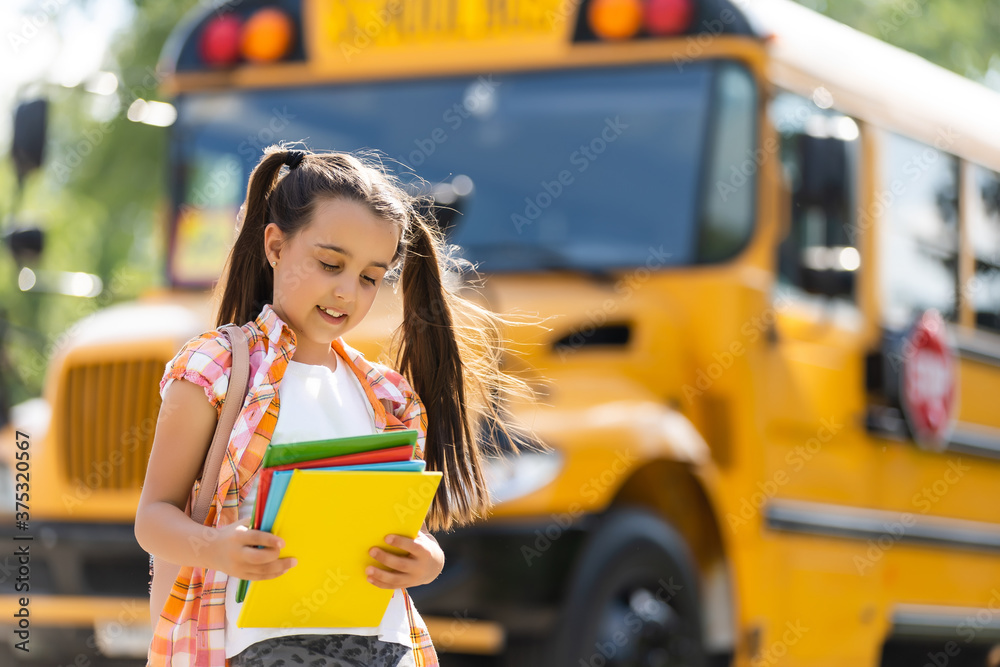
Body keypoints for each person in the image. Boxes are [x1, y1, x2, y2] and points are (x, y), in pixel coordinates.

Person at [134, 143, 539, 666]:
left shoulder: (388, 397)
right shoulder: (217, 368)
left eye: (371, 277)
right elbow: (152, 519)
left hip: (382, 645)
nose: (347, 292)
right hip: (256, 645)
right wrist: (215, 547)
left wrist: (427, 558)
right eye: (330, 264)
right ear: (275, 246)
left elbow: (387, 527)